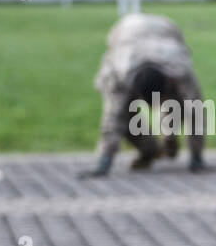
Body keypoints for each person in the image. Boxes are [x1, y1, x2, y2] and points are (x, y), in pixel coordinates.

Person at [83, 13, 205, 177]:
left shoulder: (179, 70)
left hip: (167, 29)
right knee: (124, 113)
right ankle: (149, 149)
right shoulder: (118, 75)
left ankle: (169, 138)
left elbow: (195, 110)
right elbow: (113, 119)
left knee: (180, 102)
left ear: (169, 81)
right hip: (123, 33)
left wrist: (196, 157)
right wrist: (104, 162)